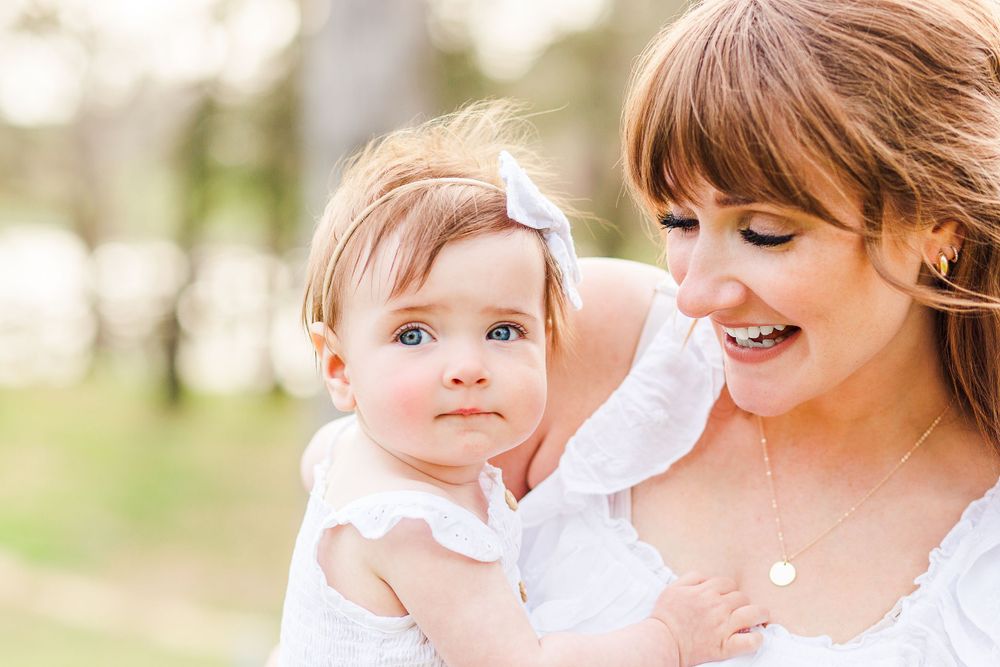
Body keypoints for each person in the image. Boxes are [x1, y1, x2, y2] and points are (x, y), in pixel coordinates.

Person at [503, 0, 1000, 664]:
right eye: (679, 222)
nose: (694, 295)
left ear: (938, 226)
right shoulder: (583, 346)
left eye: (765, 233)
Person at [275, 101, 768, 666]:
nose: (468, 367)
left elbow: (316, 462)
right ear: (339, 369)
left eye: (503, 331)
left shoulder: (348, 452)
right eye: (414, 335)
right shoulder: (419, 530)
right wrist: (669, 638)